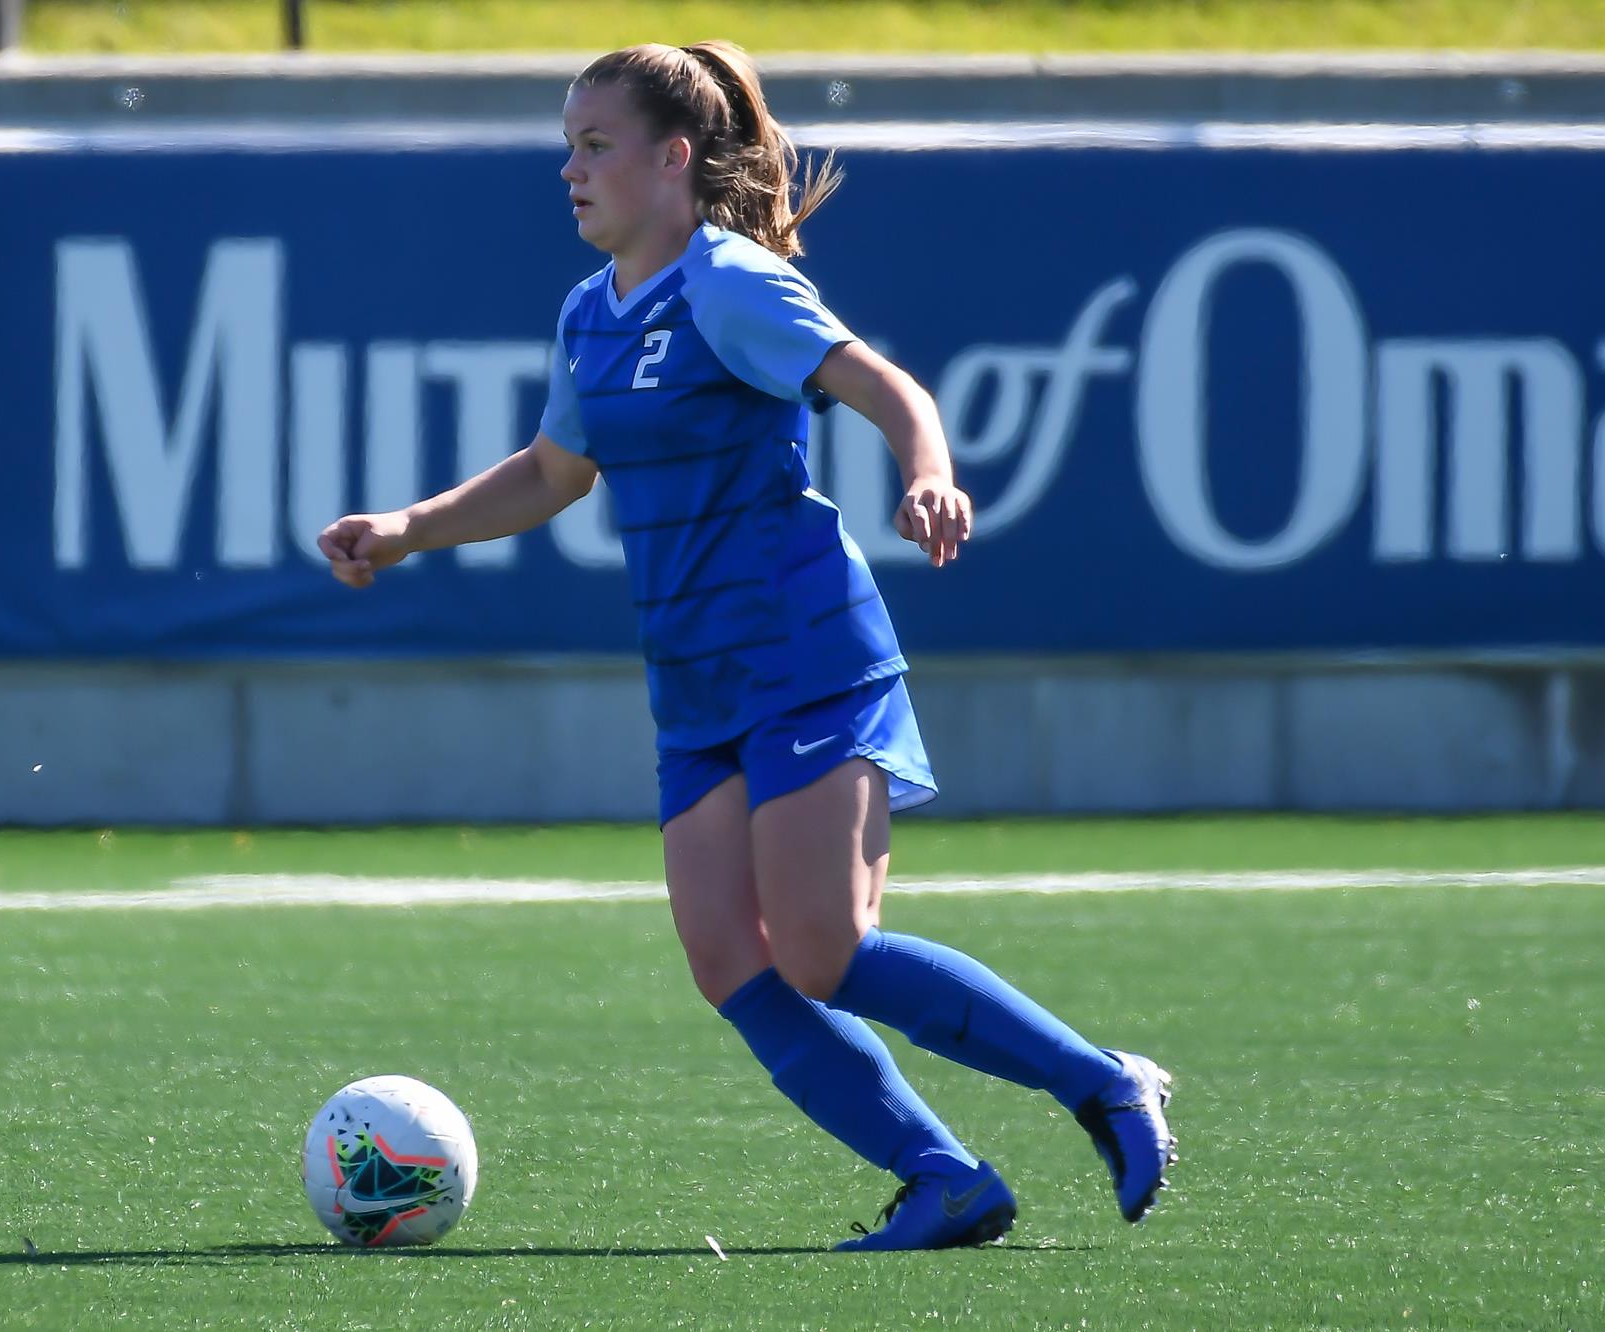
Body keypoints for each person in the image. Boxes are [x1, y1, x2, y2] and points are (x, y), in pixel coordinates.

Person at [317, 40, 1176, 1251]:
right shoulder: (587, 312)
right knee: (728, 955)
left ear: (673, 159)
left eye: (593, 144)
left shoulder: (726, 283)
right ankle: (945, 1180)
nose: (569, 169)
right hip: (695, 680)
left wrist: (926, 476)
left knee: (821, 948)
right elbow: (554, 472)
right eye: (566, 145)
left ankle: (1102, 1083)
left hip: (802, 650)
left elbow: (886, 387)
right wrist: (406, 530)